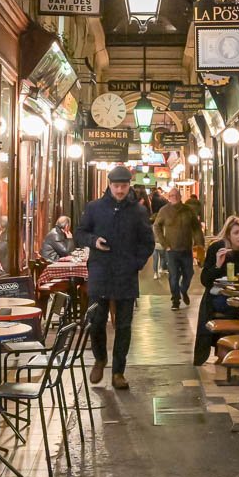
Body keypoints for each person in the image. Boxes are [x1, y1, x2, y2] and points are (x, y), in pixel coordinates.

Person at [75, 165, 154, 390]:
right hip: (100, 272)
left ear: (129, 186)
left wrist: (135, 264)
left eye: (124, 186)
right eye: (116, 186)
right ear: (109, 185)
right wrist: (94, 241)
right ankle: (100, 359)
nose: (120, 190)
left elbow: (148, 242)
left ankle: (119, 371)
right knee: (96, 321)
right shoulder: (94, 208)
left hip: (125, 275)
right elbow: (80, 233)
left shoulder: (138, 212)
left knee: (124, 325)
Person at [193, 216, 239, 364]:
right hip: (219, 296)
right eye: (236, 232)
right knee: (233, 308)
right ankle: (227, 348)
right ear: (228, 235)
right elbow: (205, 280)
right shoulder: (217, 248)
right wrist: (217, 265)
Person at [154, 194, 205, 309]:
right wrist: (164, 244)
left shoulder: (188, 211)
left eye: (176, 195)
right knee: (174, 276)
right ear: (169, 197)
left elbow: (196, 228)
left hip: (186, 249)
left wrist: (199, 244)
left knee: (189, 273)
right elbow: (156, 226)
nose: (174, 197)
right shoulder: (164, 210)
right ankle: (175, 300)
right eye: (172, 195)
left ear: (180, 196)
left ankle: (183, 289)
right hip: (171, 250)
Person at [147, 188, 168, 278]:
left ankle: (155, 273)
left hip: (154, 244)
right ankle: (160, 268)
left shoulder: (152, 227)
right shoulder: (163, 199)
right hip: (161, 243)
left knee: (155, 258)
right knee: (163, 256)